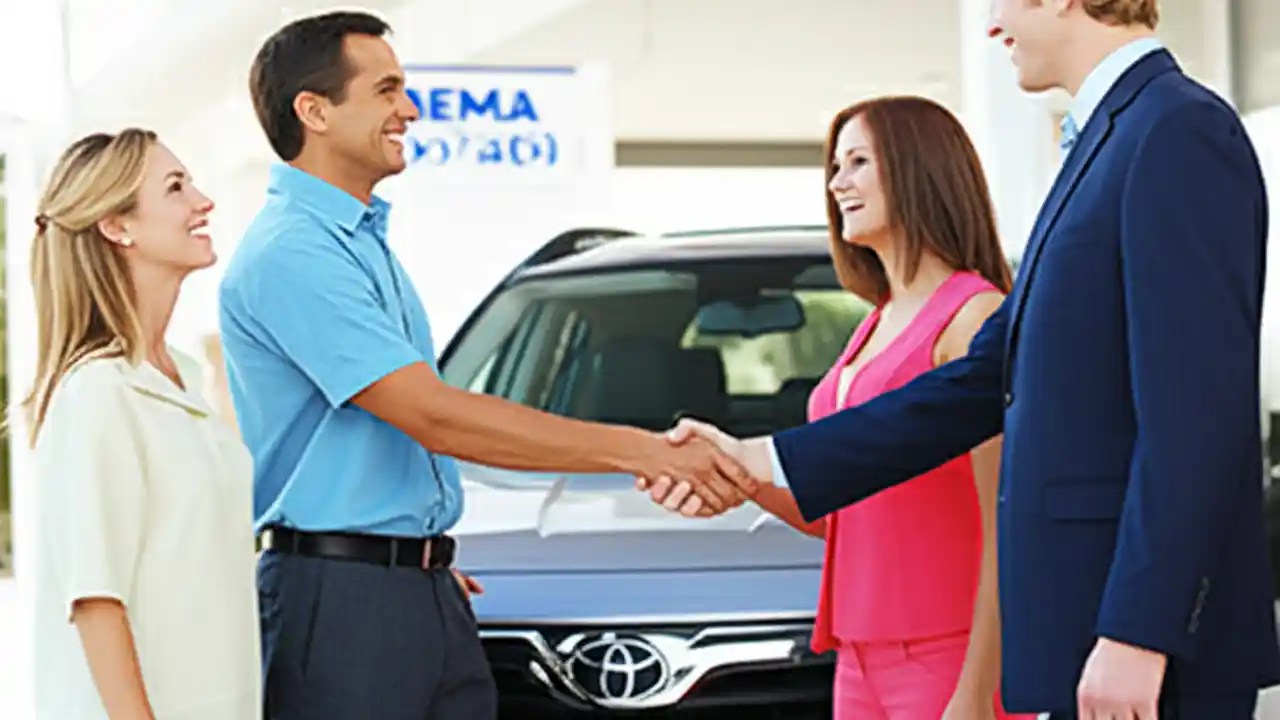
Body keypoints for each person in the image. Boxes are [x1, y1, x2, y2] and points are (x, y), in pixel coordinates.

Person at [647, 1, 1280, 718]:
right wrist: (761, 459)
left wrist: (1141, 629)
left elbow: (1197, 416)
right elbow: (983, 380)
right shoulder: (1108, 142)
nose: (993, 25)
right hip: (1086, 641)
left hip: (1145, 653)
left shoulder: (1175, 130)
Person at [217, 10, 755, 720]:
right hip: (347, 603)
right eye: (386, 90)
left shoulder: (360, 241)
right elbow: (434, 416)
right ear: (313, 111)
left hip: (418, 589)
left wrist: (418, 561)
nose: (409, 109)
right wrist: (646, 451)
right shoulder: (295, 253)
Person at [663, 96, 1033, 720]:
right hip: (858, 660)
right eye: (836, 166)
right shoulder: (875, 324)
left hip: (951, 656)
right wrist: (732, 471)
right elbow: (848, 519)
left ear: (919, 170)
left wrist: (976, 691)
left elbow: (1008, 526)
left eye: (858, 162)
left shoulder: (974, 317)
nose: (838, 183)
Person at [27, 129, 259, 719]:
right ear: (117, 225)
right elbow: (96, 599)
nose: (204, 202)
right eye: (176, 187)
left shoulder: (178, 380)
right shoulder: (99, 394)